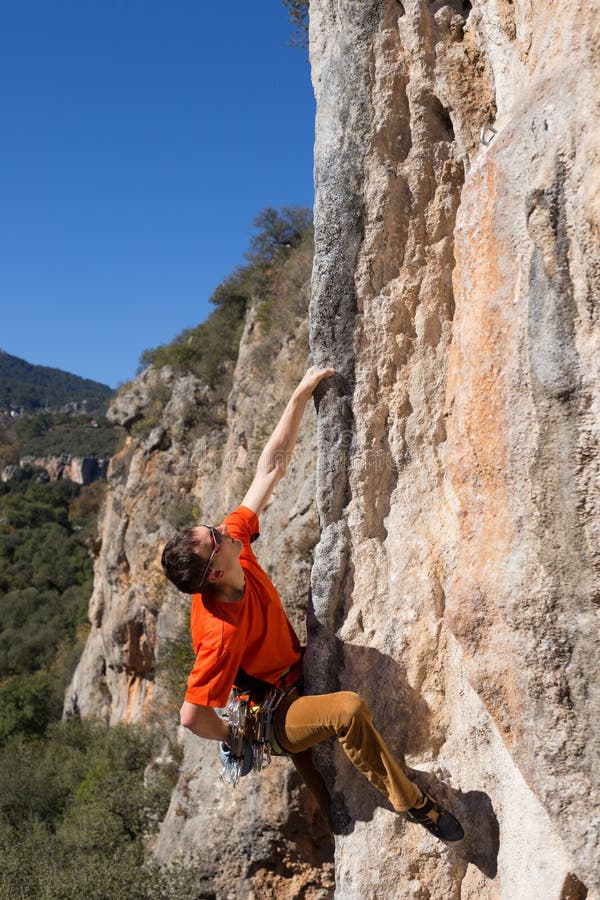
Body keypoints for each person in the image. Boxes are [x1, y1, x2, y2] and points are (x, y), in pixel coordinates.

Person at [161, 366, 464, 843]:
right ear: (214, 573)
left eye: (215, 530)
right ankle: (415, 805)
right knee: (347, 711)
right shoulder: (220, 630)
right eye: (215, 538)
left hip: (296, 674)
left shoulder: (234, 545)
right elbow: (191, 715)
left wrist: (300, 395)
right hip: (272, 714)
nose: (224, 529)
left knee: (334, 810)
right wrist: (233, 738)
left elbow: (270, 465)